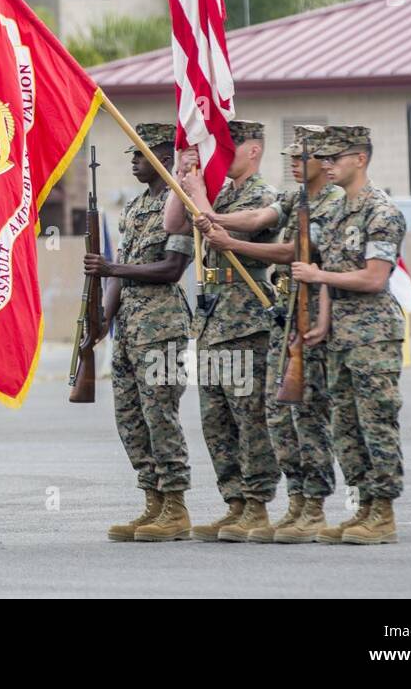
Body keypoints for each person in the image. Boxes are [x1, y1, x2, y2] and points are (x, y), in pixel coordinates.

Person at [195, 124, 342, 542]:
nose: (294, 163)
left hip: (311, 318)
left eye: (302, 157)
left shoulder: (331, 203)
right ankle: (293, 504)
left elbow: (293, 251)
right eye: (291, 157)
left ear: (324, 160)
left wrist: (233, 244)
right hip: (285, 314)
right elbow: (262, 218)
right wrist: (212, 215)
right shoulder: (293, 197)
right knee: (280, 418)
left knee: (310, 417)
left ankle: (312, 506)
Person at [291, 125, 407, 545]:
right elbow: (329, 276)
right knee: (346, 425)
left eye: (336, 158)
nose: (327, 165)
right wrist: (322, 319)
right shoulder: (339, 211)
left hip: (373, 335)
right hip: (340, 332)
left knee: (376, 424)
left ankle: (385, 513)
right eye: (324, 159)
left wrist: (318, 274)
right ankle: (363, 508)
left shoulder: (382, 211)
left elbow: (375, 278)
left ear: (360, 159)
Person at [166, 120, 280, 542]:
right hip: (212, 324)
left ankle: (257, 505)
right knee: (216, 420)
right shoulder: (220, 192)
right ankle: (234, 503)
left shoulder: (263, 194)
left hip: (246, 322)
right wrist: (185, 176)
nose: (221, 153)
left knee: (249, 419)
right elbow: (174, 224)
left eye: (229, 146)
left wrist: (202, 199)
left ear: (253, 150)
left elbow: (246, 224)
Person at [84, 124, 194, 542]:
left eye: (141, 155)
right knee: (129, 417)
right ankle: (152, 503)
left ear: (165, 159)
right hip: (129, 328)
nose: (133, 161)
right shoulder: (133, 208)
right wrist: (102, 322)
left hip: (161, 326)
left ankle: (175, 507)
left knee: (159, 415)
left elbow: (171, 268)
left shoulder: (178, 206)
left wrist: (113, 269)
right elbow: (117, 276)